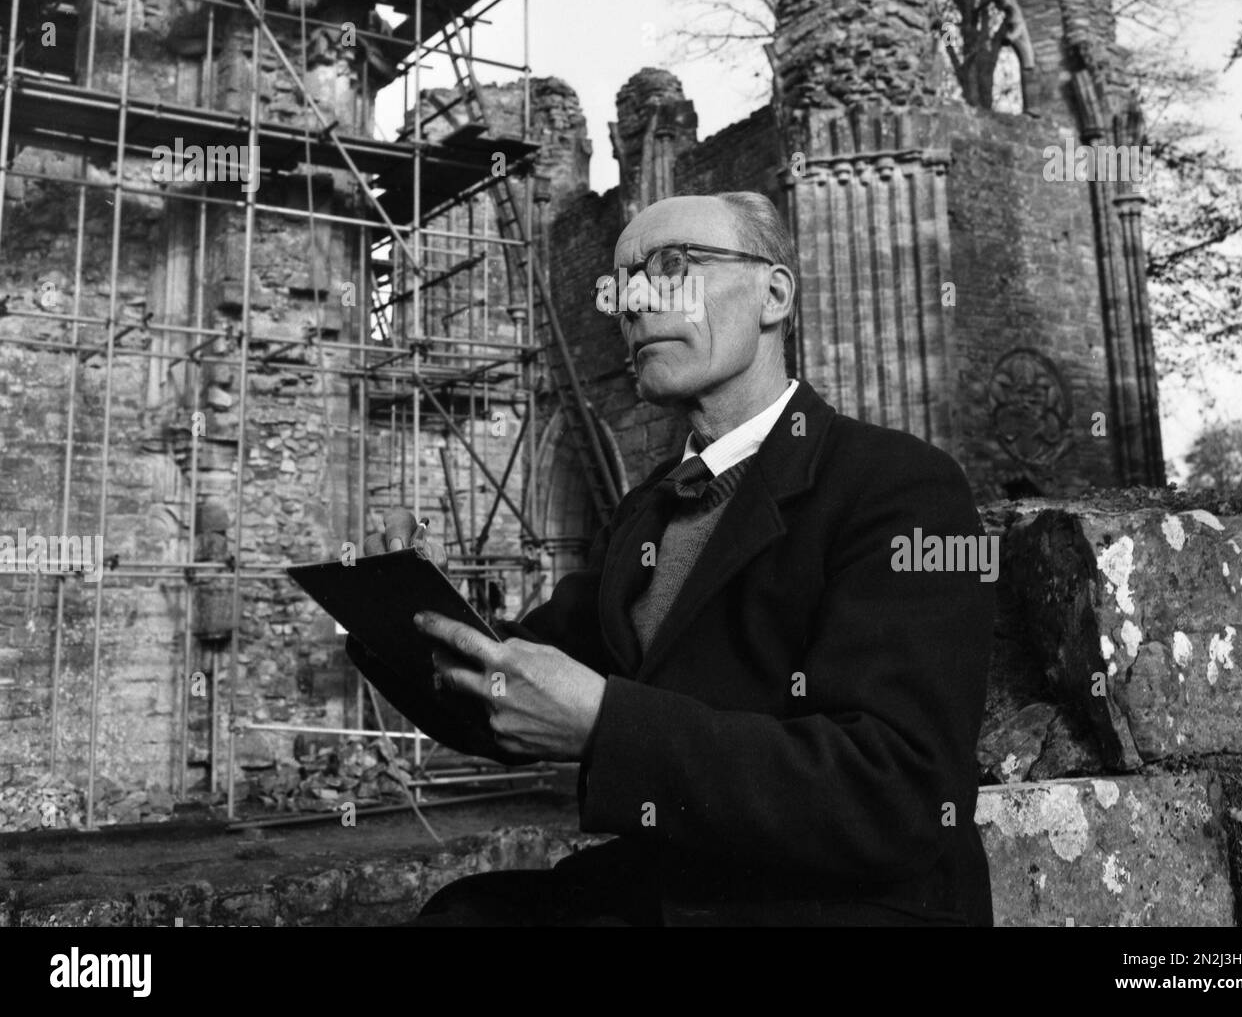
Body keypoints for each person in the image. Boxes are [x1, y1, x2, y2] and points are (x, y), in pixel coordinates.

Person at [348, 191, 995, 926]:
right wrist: (401, 603)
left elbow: (897, 793)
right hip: (672, 887)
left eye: (674, 266)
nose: (634, 301)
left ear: (774, 294)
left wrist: (605, 724)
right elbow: (511, 682)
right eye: (621, 285)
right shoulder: (648, 509)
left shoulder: (900, 485)